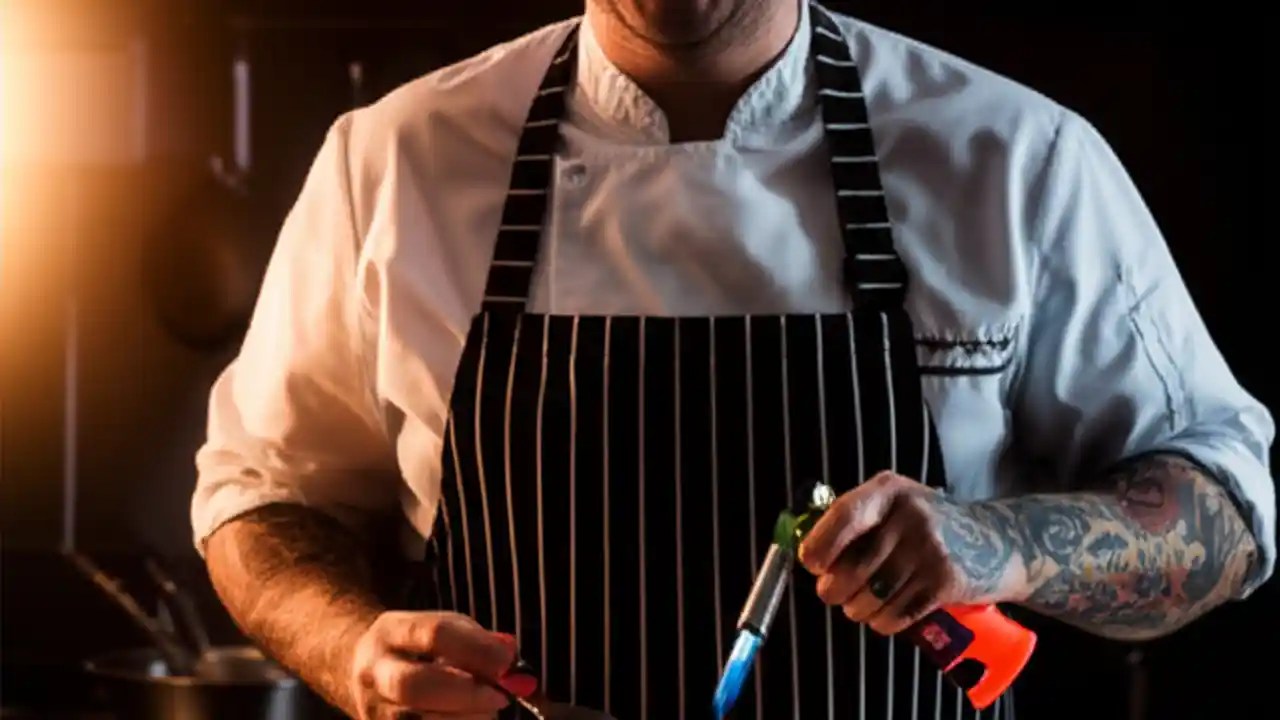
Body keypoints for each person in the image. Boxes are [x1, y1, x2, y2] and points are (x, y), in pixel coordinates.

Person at [191, 0, 1276, 718]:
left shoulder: (1012, 160)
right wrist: (350, 653)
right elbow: (263, 496)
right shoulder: (393, 163)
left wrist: (1002, 543)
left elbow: (1222, 517)